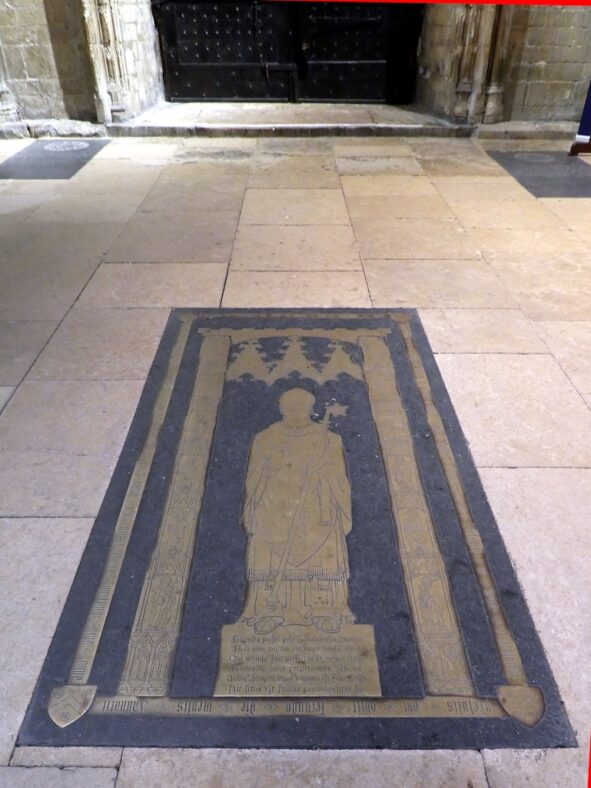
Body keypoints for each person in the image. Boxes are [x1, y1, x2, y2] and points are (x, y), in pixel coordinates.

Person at [238, 388, 355, 635]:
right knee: (272, 554)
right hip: (275, 508)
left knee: (320, 556)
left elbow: (339, 477)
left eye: (301, 407)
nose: (296, 412)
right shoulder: (266, 438)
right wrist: (278, 467)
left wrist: (321, 472)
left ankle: (323, 609)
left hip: (316, 507)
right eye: (290, 407)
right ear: (282, 409)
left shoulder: (328, 439)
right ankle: (272, 611)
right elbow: (255, 478)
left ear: (311, 409)